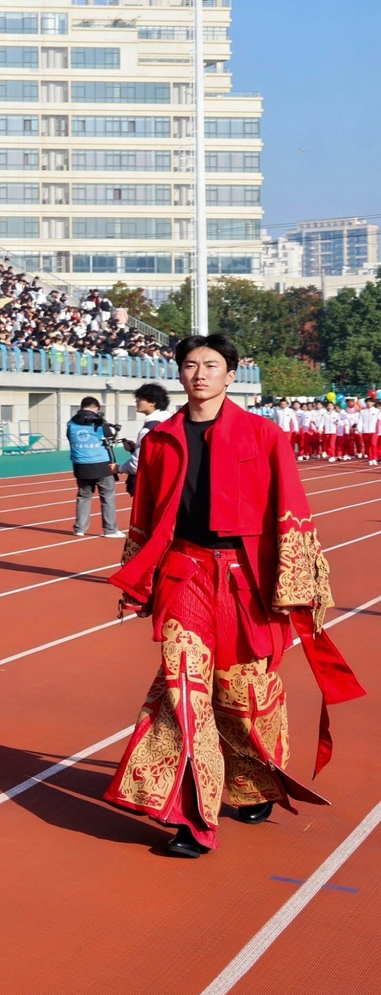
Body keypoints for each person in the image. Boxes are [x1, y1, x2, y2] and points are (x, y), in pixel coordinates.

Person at [104, 333, 362, 858]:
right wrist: (138, 581)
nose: (200, 373)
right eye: (190, 365)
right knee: (183, 692)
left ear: (230, 373)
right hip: (184, 575)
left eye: (211, 365)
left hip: (246, 582)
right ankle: (192, 819)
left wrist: (294, 583)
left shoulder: (264, 434)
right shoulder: (159, 440)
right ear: (179, 373)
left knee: (241, 695)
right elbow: (145, 515)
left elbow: (291, 506)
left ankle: (252, 782)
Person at [67, 396, 121, 538]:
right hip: (101, 464)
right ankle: (110, 530)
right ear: (95, 408)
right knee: (107, 497)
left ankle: (80, 528)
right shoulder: (99, 423)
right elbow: (110, 438)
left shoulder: (71, 423)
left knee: (83, 497)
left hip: (80, 465)